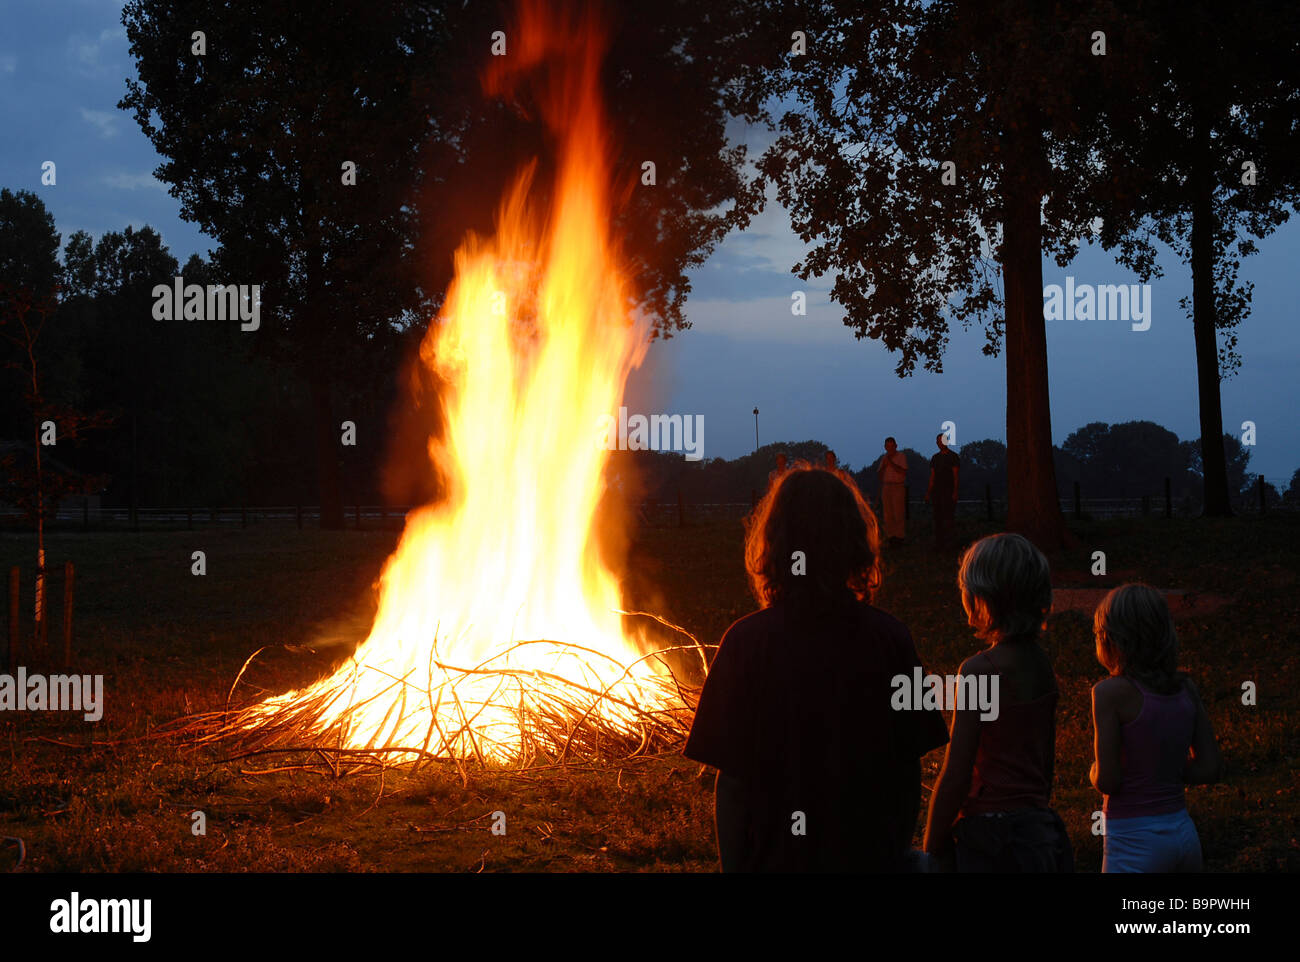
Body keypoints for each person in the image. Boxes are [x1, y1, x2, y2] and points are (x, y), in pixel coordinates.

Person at [684, 464, 949, 872]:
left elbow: (732, 783)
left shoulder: (745, 643)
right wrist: (892, 851)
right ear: (853, 542)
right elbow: (907, 772)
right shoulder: (891, 639)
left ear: (774, 544)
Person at [923, 533, 1073, 872]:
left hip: (989, 839)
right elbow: (1044, 763)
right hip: (1039, 833)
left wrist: (931, 850)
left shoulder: (978, 671)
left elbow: (956, 774)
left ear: (982, 596)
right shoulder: (1041, 665)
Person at [1090, 584, 1223, 873]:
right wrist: (1164, 769)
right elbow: (1210, 767)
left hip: (1133, 840)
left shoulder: (1109, 693)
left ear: (1111, 640)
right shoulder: (1187, 688)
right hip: (1184, 834)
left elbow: (1108, 781)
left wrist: (1093, 771)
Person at [926, 434, 960, 548]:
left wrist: (955, 491)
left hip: (948, 491)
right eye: (938, 441)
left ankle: (949, 543)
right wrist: (928, 492)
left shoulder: (953, 456)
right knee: (938, 517)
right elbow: (932, 476)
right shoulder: (935, 458)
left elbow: (955, 475)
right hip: (937, 492)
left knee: (948, 517)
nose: (940, 443)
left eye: (941, 441)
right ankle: (939, 543)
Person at [876, 437, 908, 546]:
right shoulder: (884, 458)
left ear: (896, 446)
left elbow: (903, 471)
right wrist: (884, 466)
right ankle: (890, 536)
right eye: (887, 446)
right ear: (885, 447)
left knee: (898, 512)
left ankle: (899, 537)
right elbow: (879, 476)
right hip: (886, 486)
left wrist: (891, 463)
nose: (889, 448)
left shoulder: (901, 456)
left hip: (897, 486)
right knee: (887, 513)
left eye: (891, 446)